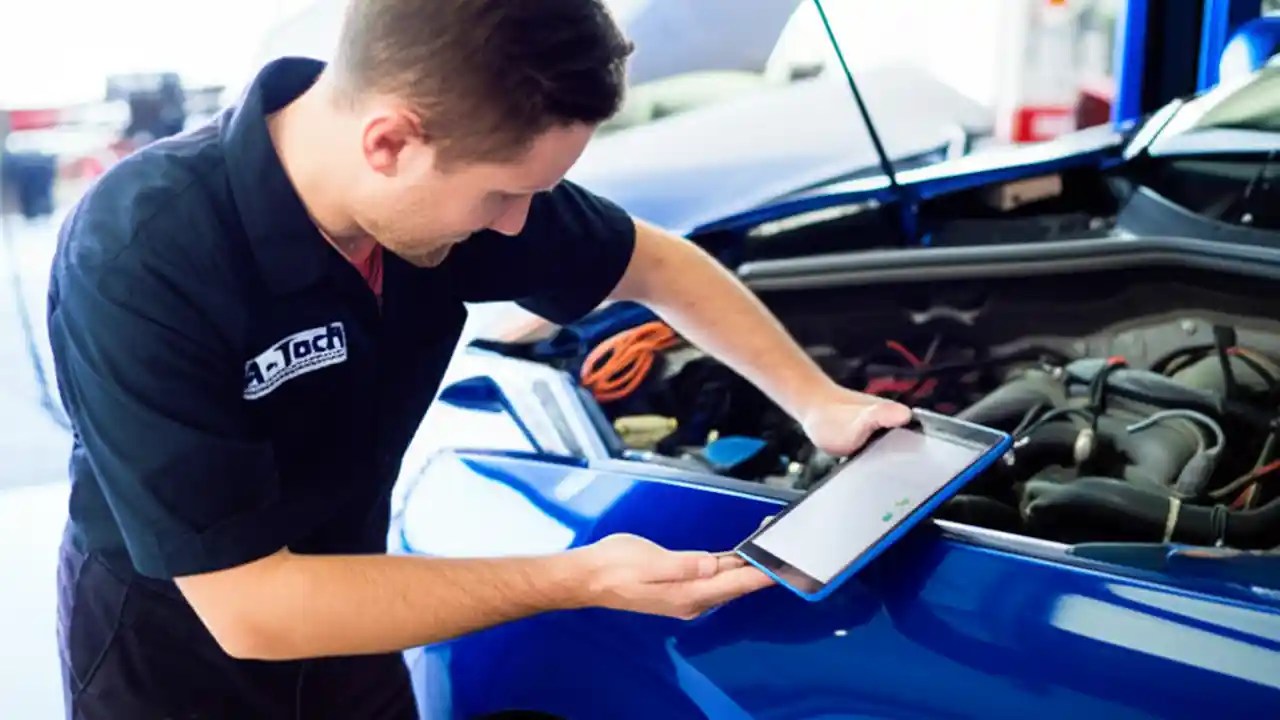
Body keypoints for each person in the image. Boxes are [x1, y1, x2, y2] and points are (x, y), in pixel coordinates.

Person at [47, 1, 911, 717]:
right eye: (501, 193)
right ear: (388, 142)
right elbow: (250, 609)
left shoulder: (438, 191)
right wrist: (578, 577)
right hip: (179, 661)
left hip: (358, 618)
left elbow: (655, 262)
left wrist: (815, 400)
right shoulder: (143, 256)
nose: (514, 225)